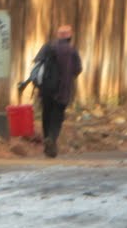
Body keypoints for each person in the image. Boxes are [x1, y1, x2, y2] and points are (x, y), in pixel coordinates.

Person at [23, 24, 82, 158]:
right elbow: (78, 69)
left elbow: (37, 63)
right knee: (57, 116)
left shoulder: (47, 47)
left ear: (57, 36)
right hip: (63, 90)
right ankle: (52, 138)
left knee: (46, 115)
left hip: (46, 88)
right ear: (70, 37)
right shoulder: (72, 51)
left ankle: (47, 142)